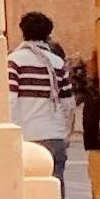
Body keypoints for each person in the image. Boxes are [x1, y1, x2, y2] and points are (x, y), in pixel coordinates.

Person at [8, 9, 77, 185]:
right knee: (56, 195)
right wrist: (65, 134)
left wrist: (12, 134)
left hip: (28, 137)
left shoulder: (15, 61)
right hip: (54, 136)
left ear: (23, 31)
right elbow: (68, 104)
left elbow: (10, 101)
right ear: (48, 34)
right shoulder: (57, 63)